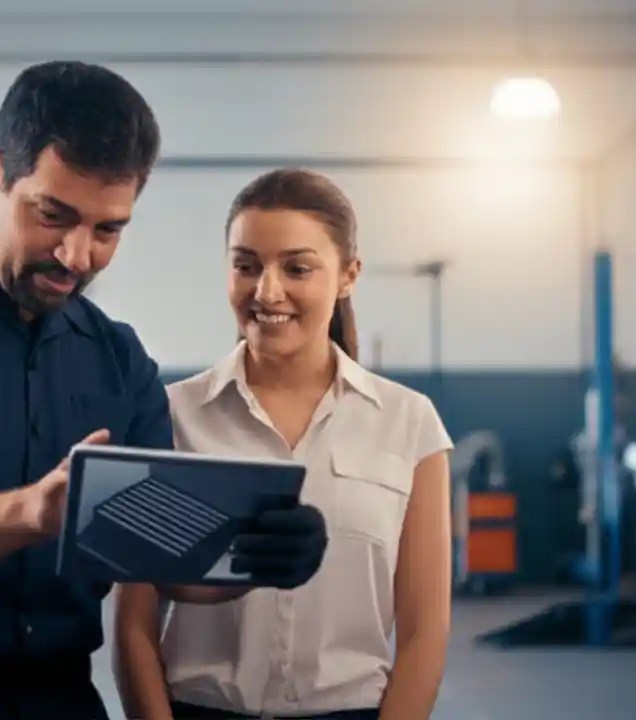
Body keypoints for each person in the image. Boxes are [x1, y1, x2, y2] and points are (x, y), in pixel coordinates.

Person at [0, 62, 328, 720]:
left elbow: (166, 563)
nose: (77, 255)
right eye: (53, 215)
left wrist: (258, 551)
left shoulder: (119, 359)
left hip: (60, 699)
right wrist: (29, 515)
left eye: (108, 230)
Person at [115, 169, 454, 720]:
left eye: (297, 267)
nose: (266, 291)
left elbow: (425, 629)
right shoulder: (172, 416)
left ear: (348, 275)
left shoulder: (409, 423)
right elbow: (134, 621)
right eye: (246, 265)